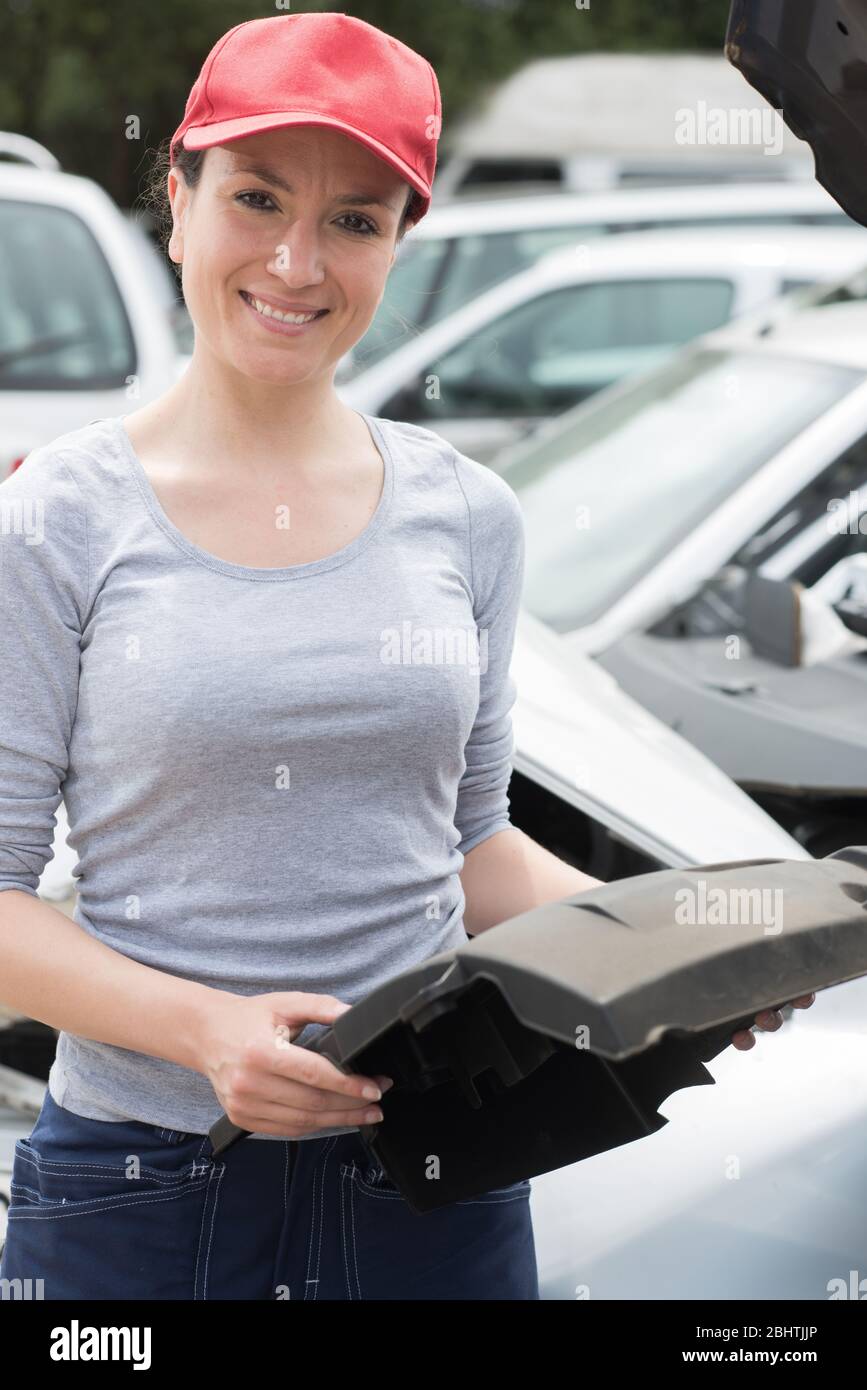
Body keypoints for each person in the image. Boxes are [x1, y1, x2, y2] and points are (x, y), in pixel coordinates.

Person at [0, 12, 811, 1301]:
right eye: (256, 197)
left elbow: (472, 846)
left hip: (434, 1182)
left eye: (355, 221)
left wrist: (700, 955)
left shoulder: (468, 513)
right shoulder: (55, 517)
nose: (294, 259)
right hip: (145, 1190)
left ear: (400, 247)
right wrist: (207, 1034)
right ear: (178, 198)